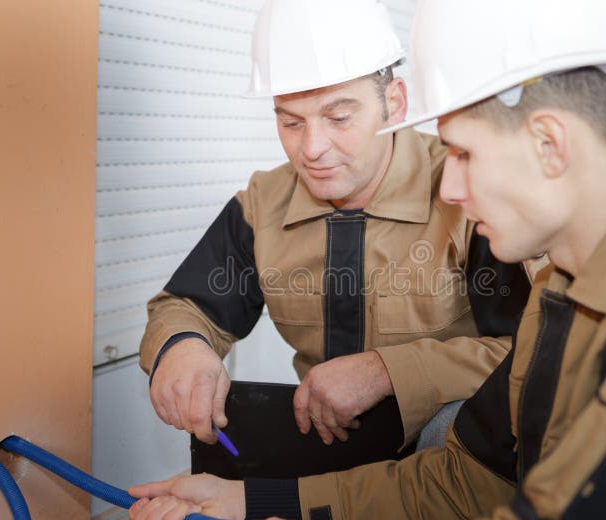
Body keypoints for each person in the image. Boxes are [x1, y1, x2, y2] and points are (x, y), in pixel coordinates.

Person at [127, 0, 606, 520]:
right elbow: (467, 481)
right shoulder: (564, 291)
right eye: (290, 122)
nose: (450, 187)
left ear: (549, 143)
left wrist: (395, 372)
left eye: (462, 152)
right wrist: (254, 500)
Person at [140, 0, 529, 459]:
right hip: (326, 439)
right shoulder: (263, 204)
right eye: (290, 121)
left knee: (449, 429)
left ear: (396, 103)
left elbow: (535, 354)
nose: (312, 149)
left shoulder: (465, 191)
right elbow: (187, 305)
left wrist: (389, 371)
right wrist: (182, 348)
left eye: (339, 118)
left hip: (447, 456)